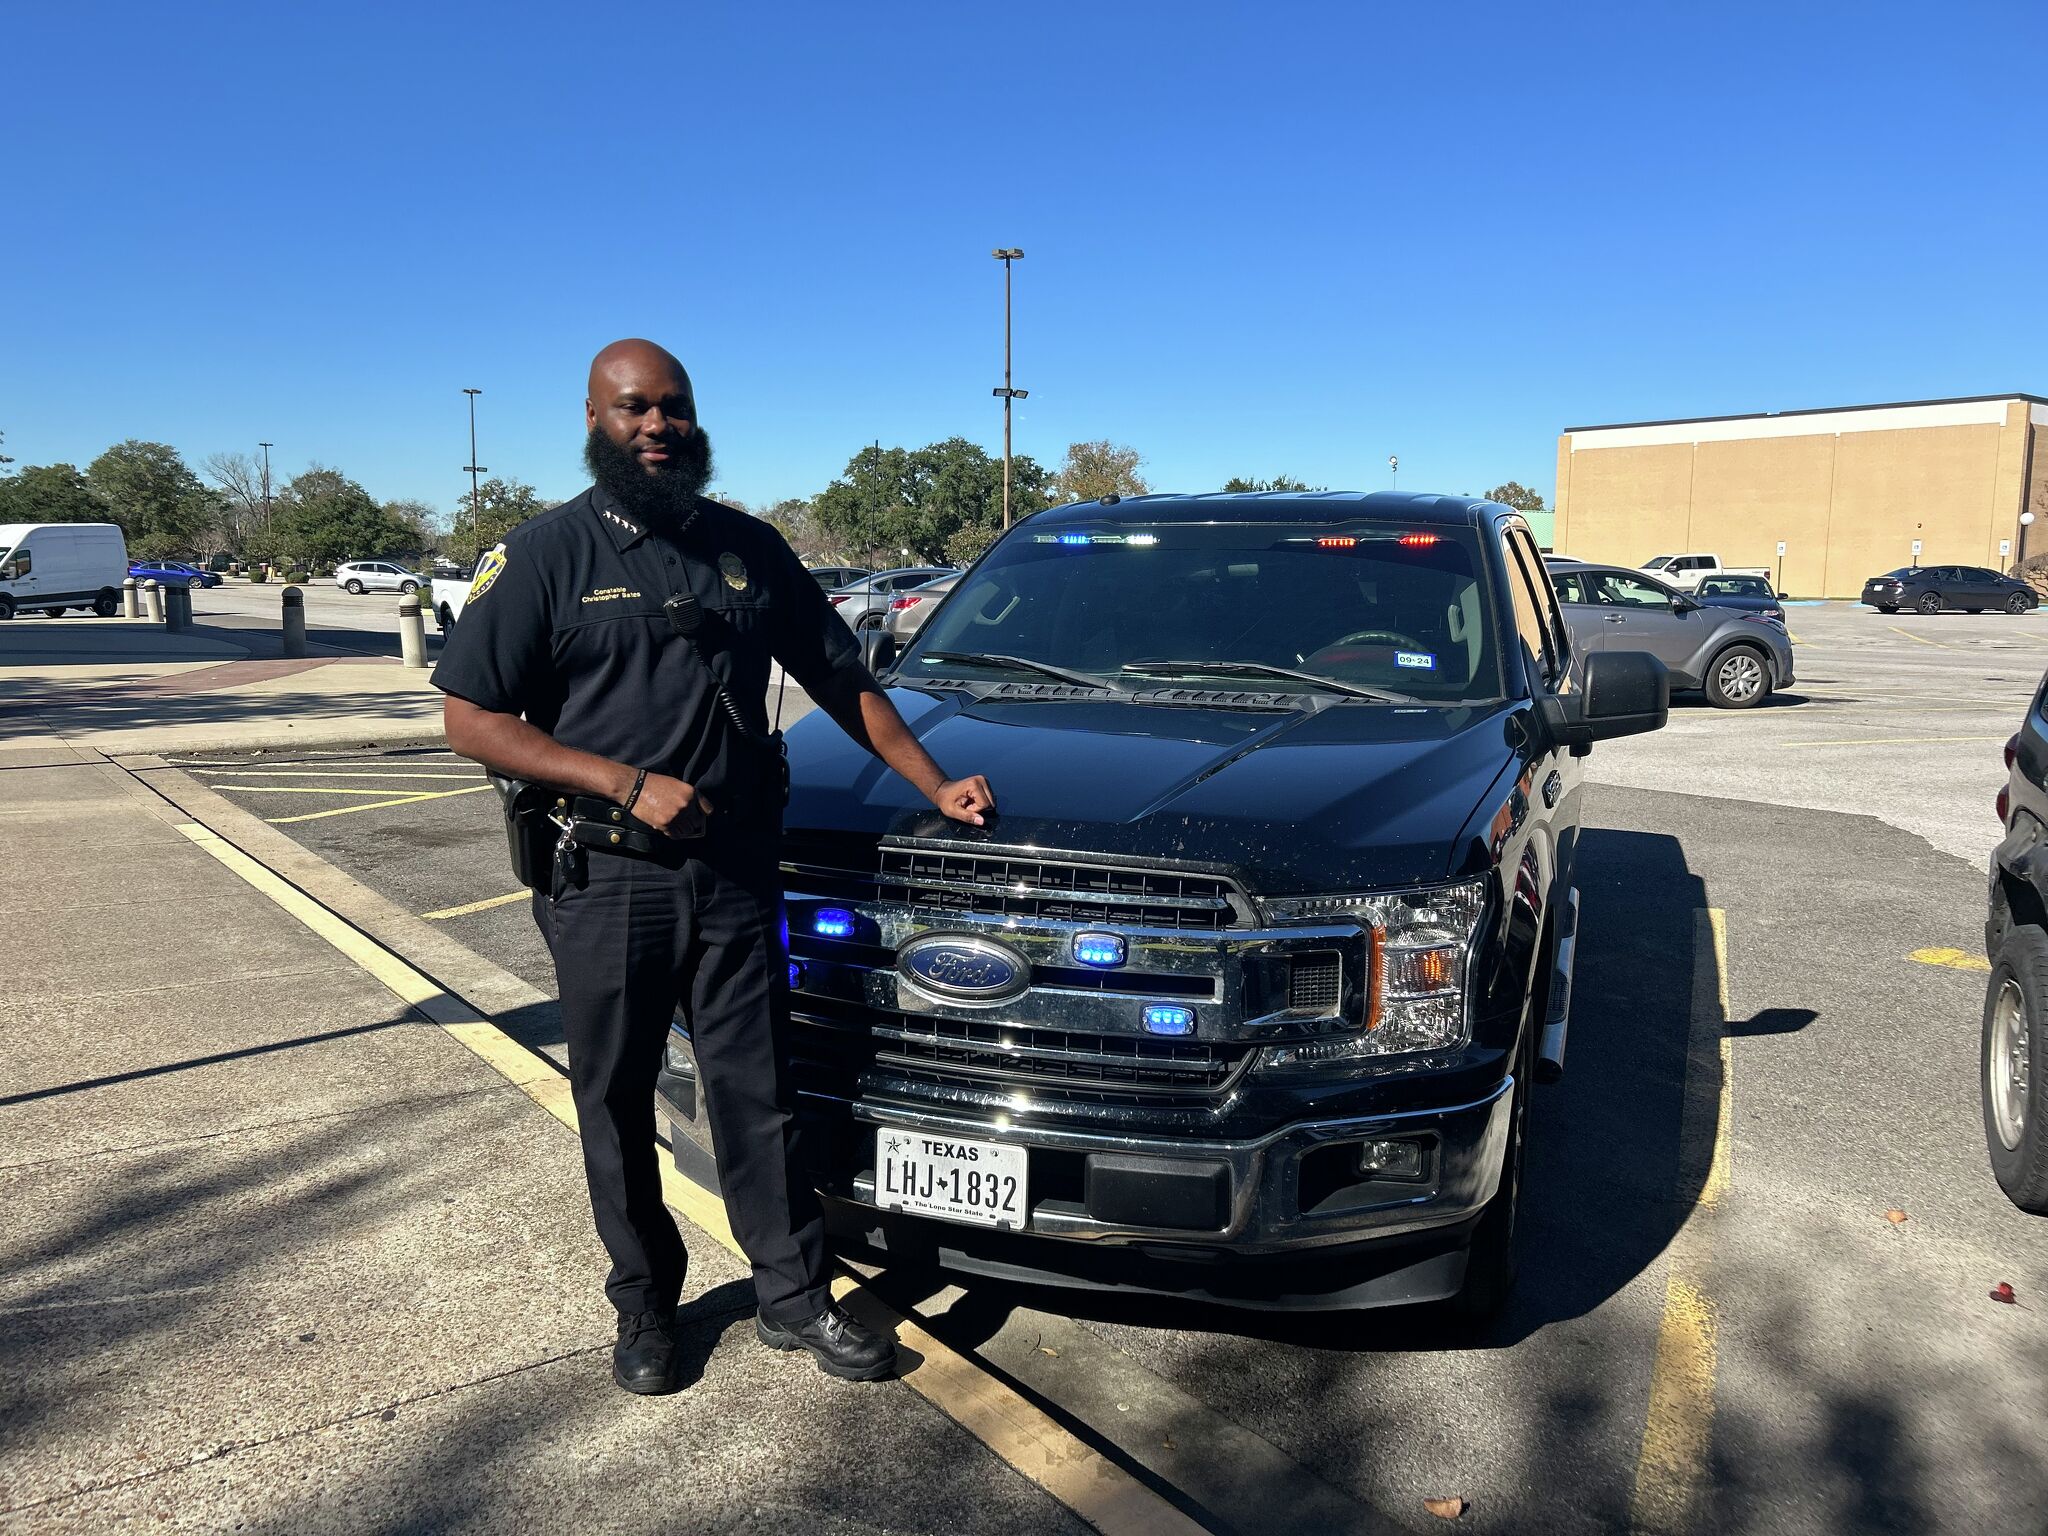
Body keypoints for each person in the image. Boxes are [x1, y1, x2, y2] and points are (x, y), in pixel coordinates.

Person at [434, 339, 995, 1392]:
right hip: (608, 876)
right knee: (614, 1099)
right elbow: (469, 718)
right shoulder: (546, 554)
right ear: (595, 421)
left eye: (674, 409)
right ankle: (645, 1306)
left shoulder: (748, 549)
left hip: (735, 871)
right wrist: (619, 781)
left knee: (758, 1091)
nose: (657, 426)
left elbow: (842, 681)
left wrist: (934, 782)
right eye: (633, 409)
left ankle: (791, 1297)